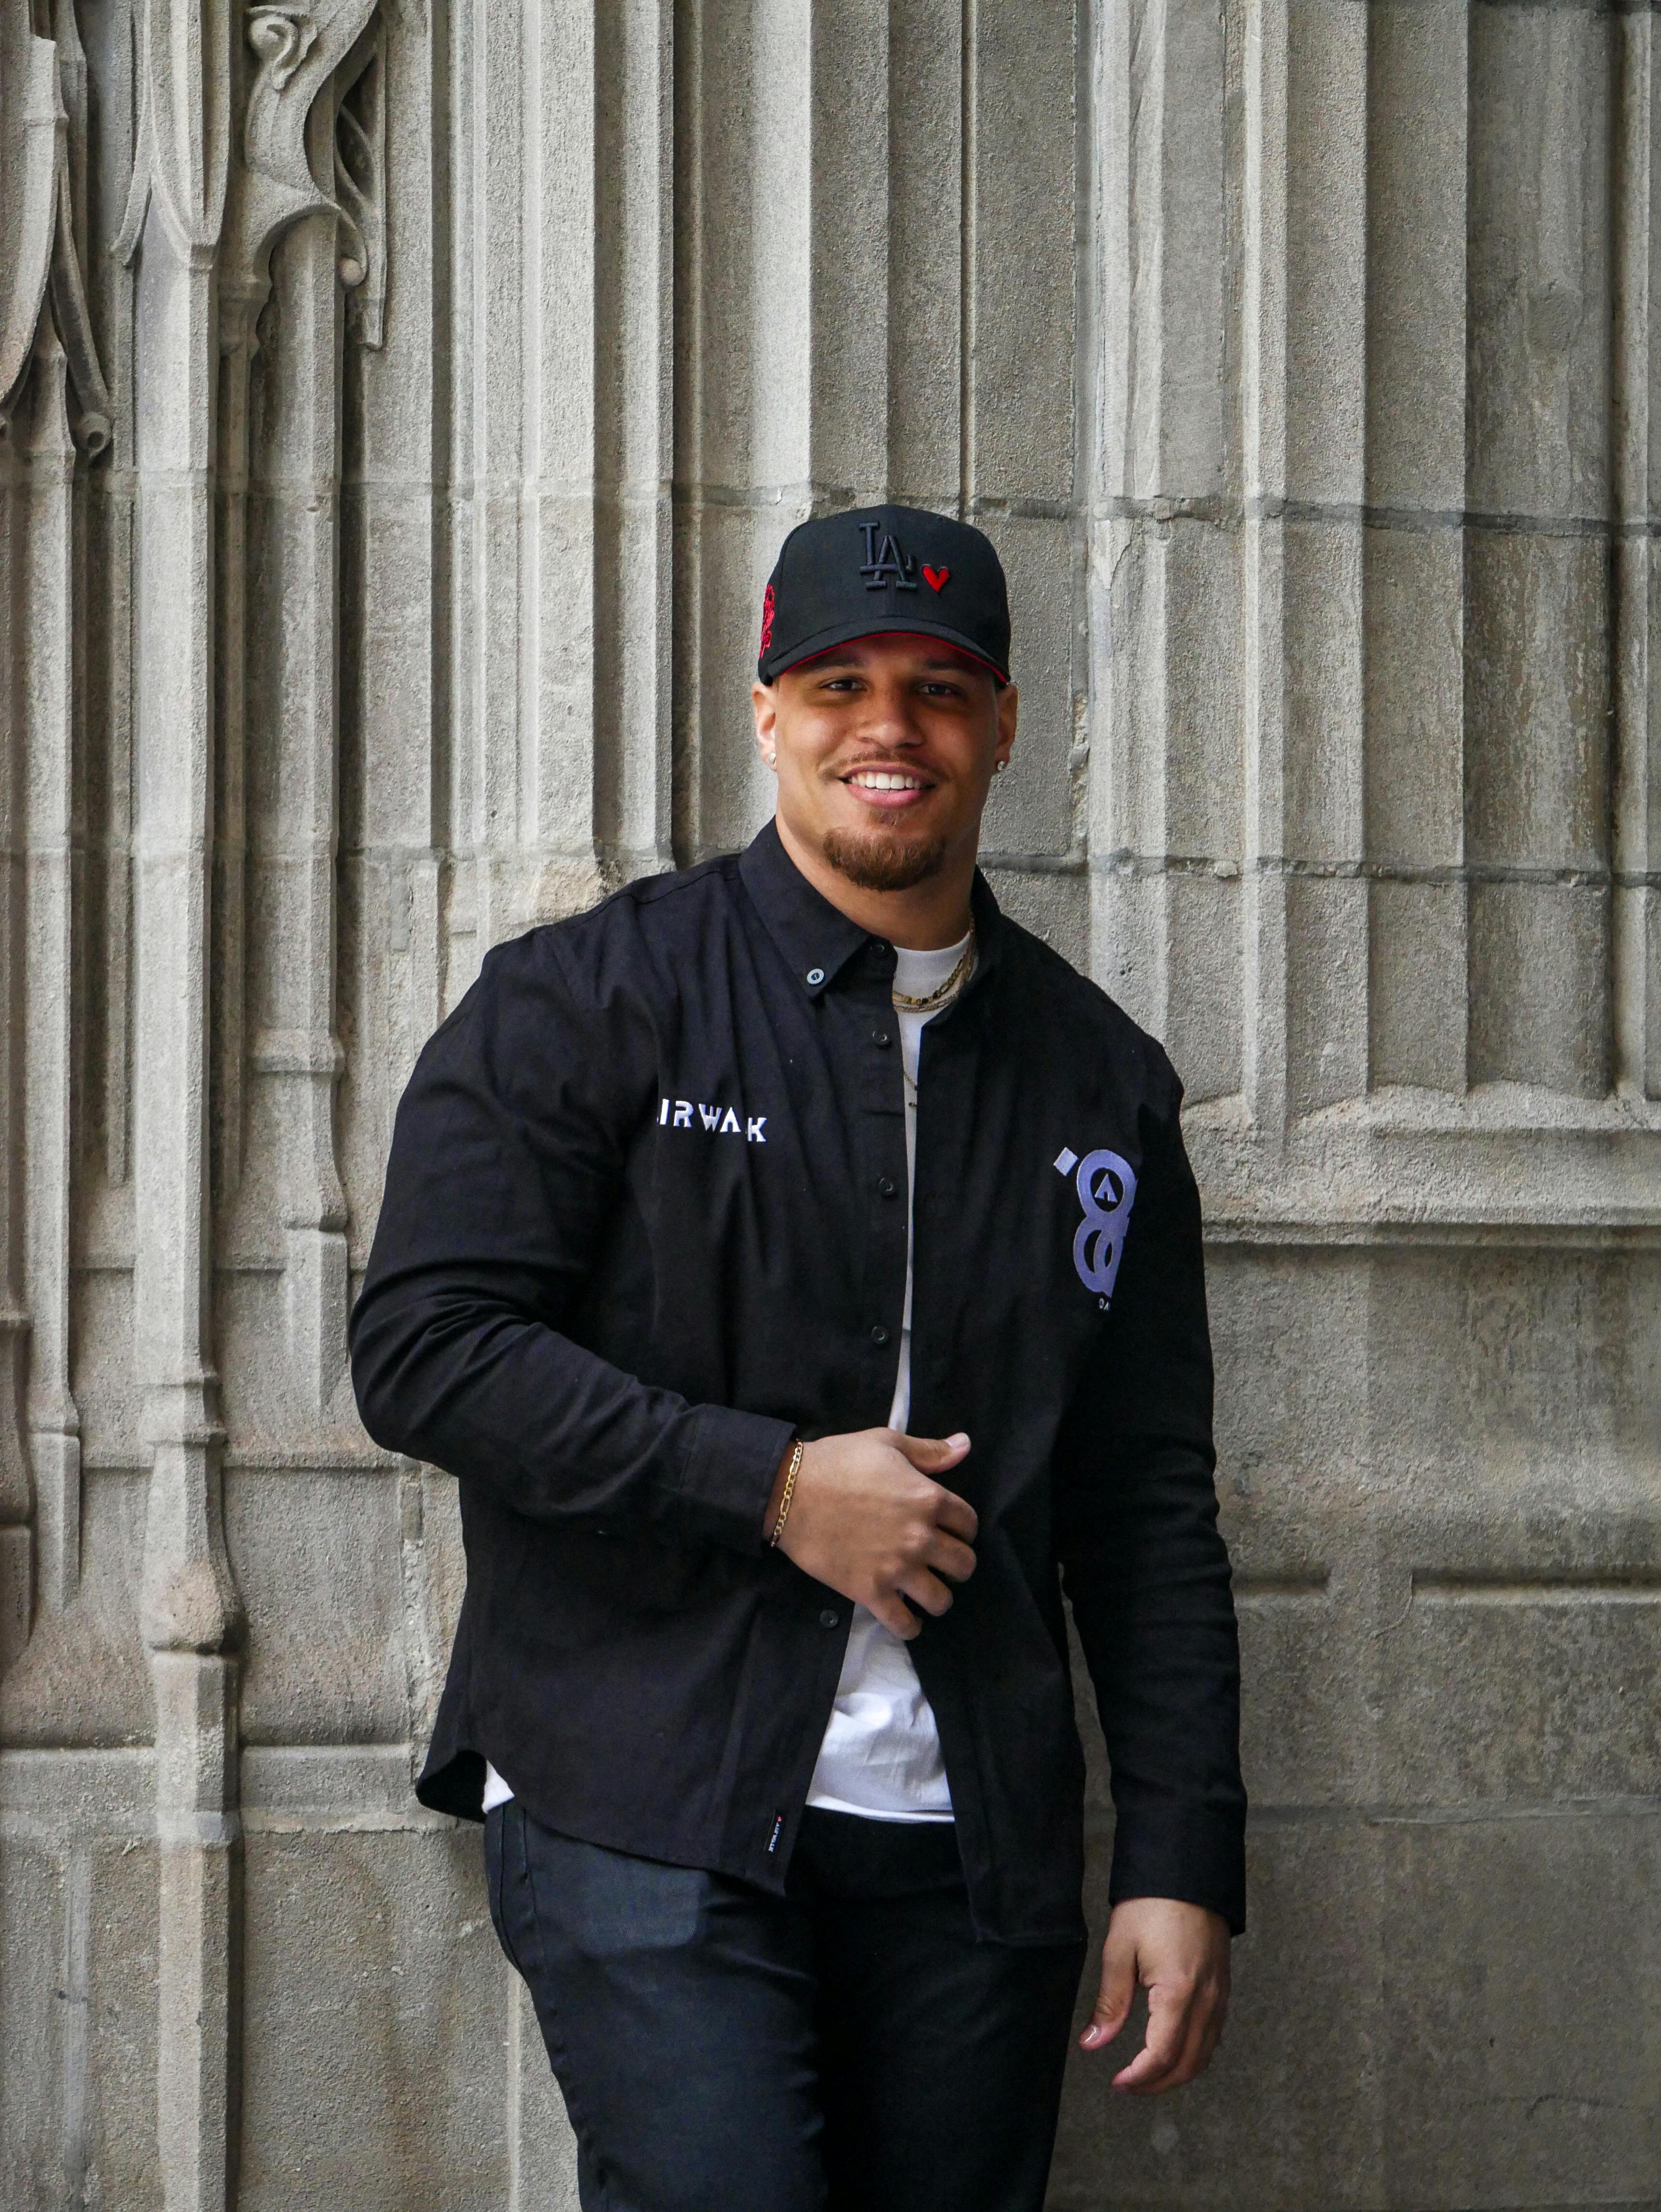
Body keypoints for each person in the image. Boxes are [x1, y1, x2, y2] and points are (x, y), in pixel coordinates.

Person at [350, 503, 1245, 2212]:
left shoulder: (1102, 1082)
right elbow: (424, 1347)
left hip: (968, 1837)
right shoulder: (586, 1002)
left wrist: (1181, 1854)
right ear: (768, 713)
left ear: (1002, 724)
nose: (887, 727)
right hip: (647, 1791)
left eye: (938, 686)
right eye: (838, 682)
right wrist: (764, 1487)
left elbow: (1144, 1505)